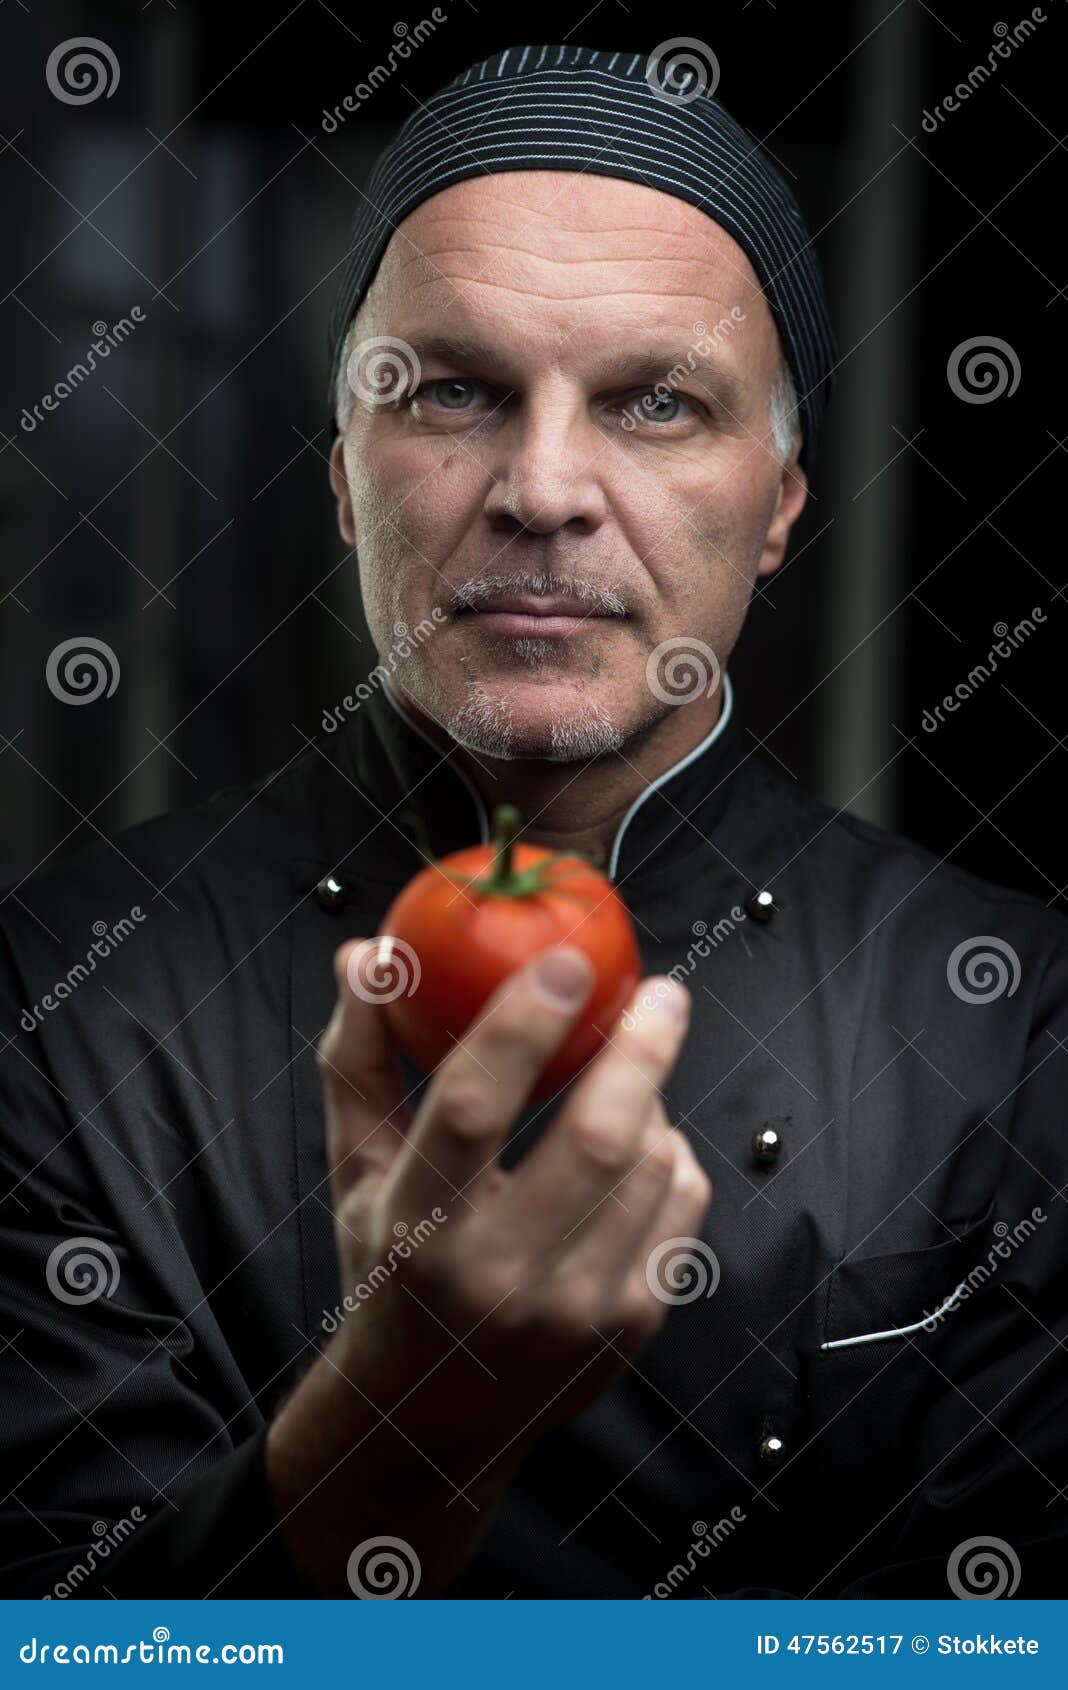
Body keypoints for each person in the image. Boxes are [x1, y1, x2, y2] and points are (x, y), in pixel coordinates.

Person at [1, 43, 1065, 1601]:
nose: (545, 488)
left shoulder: (1009, 1019)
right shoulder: (58, 1004)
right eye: (453, 390)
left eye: (655, 401)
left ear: (779, 503)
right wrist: (399, 1421)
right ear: (350, 479)